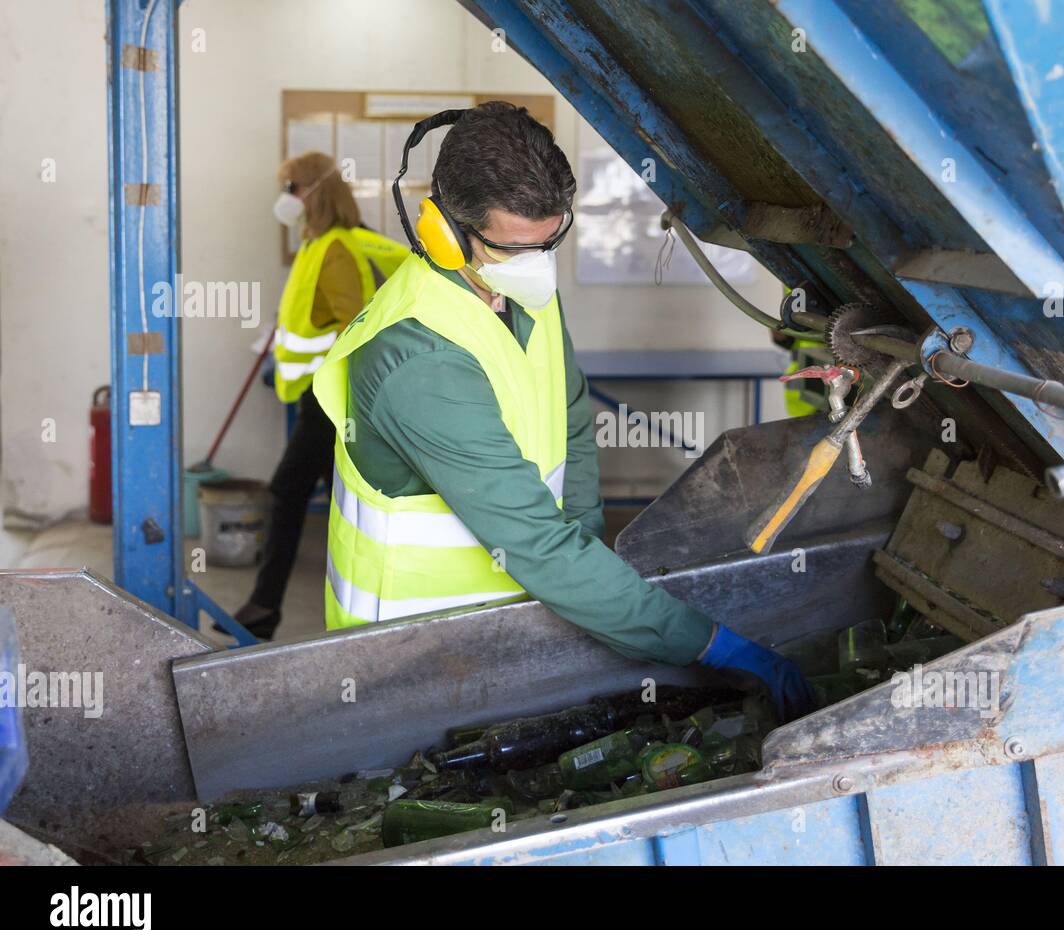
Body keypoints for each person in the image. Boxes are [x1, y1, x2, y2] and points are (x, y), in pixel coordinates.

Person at [313, 103, 813, 722]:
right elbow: (537, 545)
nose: (538, 263)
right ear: (441, 230)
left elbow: (573, 419)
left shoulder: (521, 290)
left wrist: (586, 560)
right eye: (514, 247)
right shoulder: (418, 358)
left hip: (512, 625)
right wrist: (711, 644)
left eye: (551, 240)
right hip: (410, 662)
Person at [222, 151, 409, 640]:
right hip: (321, 396)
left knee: (289, 492)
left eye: (291, 189)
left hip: (331, 399)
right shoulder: (318, 243)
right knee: (339, 506)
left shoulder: (337, 249)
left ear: (314, 192)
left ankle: (265, 609)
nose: (285, 200)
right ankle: (349, 613)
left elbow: (356, 325)